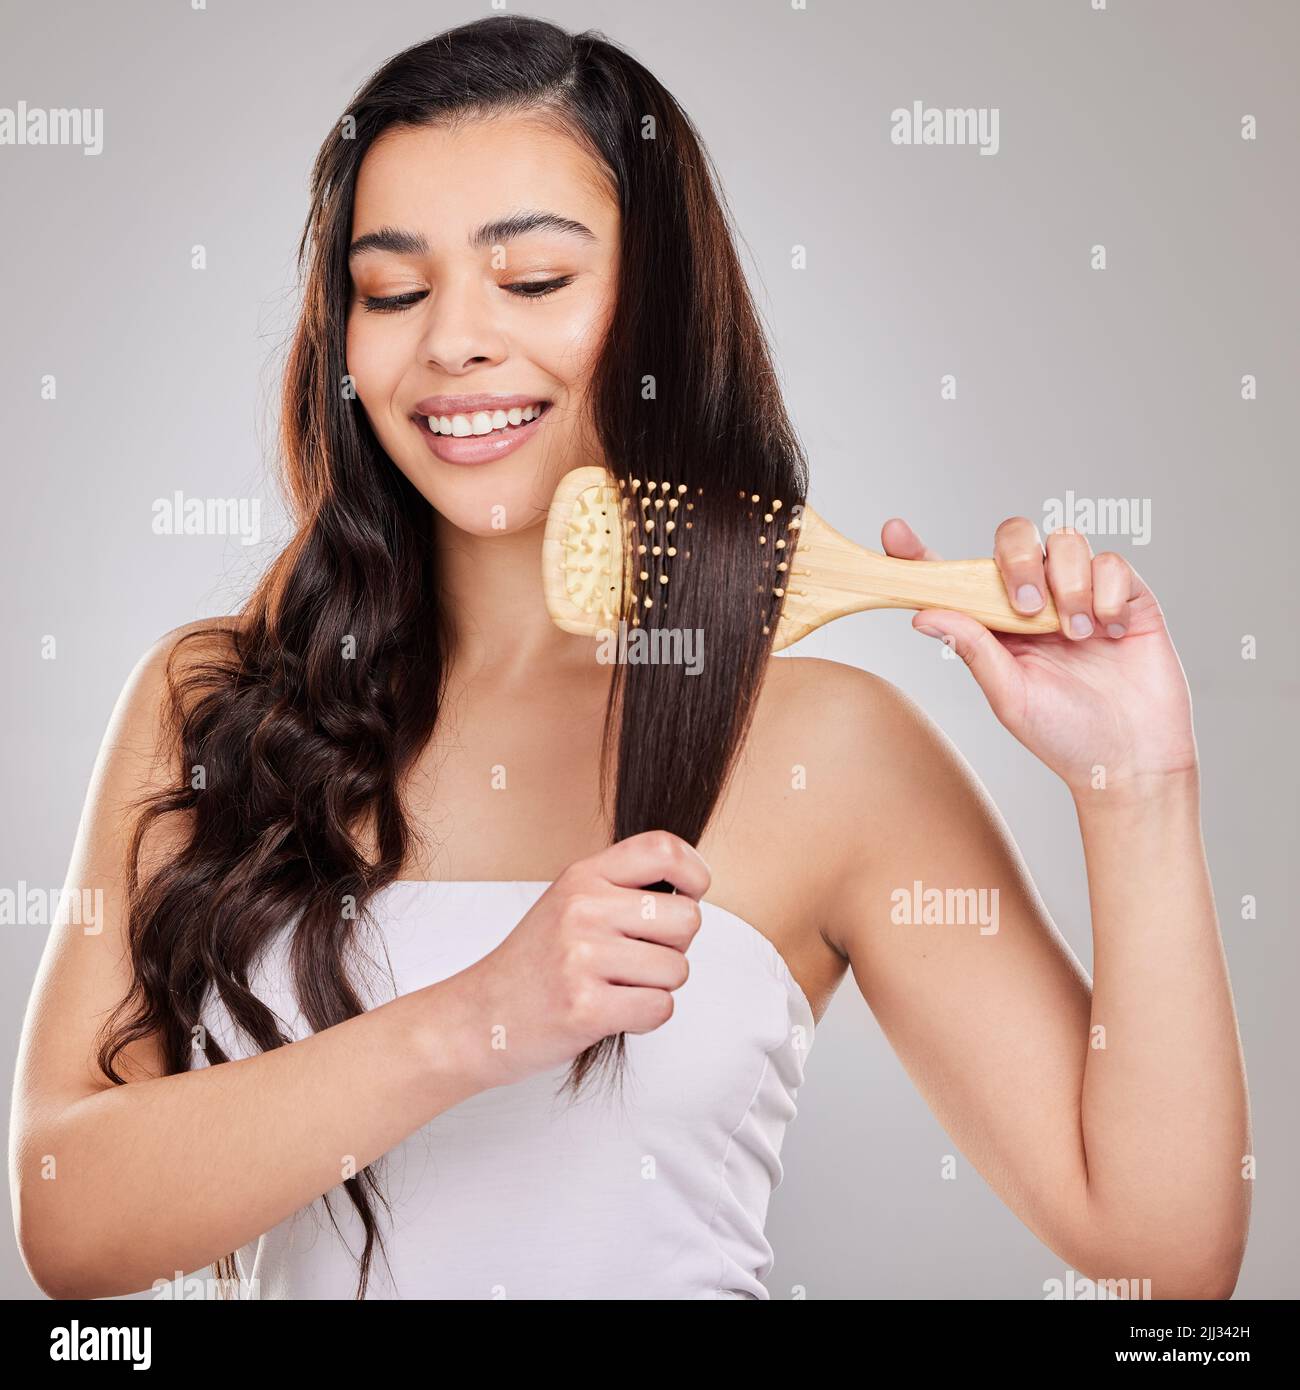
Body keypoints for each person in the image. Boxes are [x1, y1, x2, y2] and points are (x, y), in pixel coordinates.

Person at [10, 15, 1249, 1300]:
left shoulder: (832, 746)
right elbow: (65, 1218)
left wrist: (1138, 790)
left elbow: (1159, 1250)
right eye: (391, 290)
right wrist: (478, 1022)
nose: (453, 341)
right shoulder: (211, 706)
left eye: (534, 280)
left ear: (656, 306)